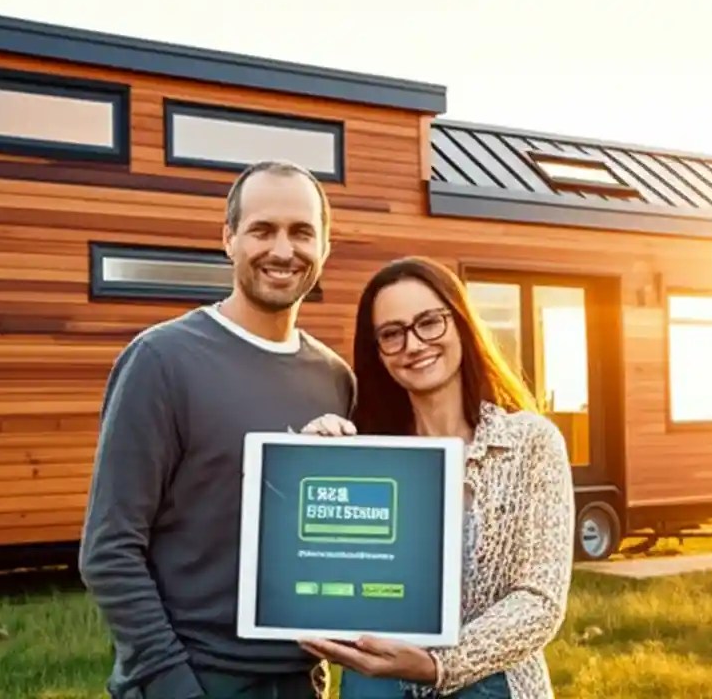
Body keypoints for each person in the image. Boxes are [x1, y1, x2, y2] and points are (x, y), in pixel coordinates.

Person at [79, 160, 356, 699]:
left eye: (302, 232)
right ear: (228, 239)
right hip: (194, 679)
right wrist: (172, 684)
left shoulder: (334, 379)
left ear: (325, 246)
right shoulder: (161, 360)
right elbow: (109, 549)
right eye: (262, 230)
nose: (282, 250)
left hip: (301, 683)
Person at [295, 256, 575, 699]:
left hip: (494, 685)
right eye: (392, 333)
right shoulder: (365, 452)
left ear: (460, 322)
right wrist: (312, 461)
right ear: (378, 352)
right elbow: (327, 579)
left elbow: (539, 602)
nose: (413, 343)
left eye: (429, 322)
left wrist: (437, 665)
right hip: (378, 686)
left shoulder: (531, 442)